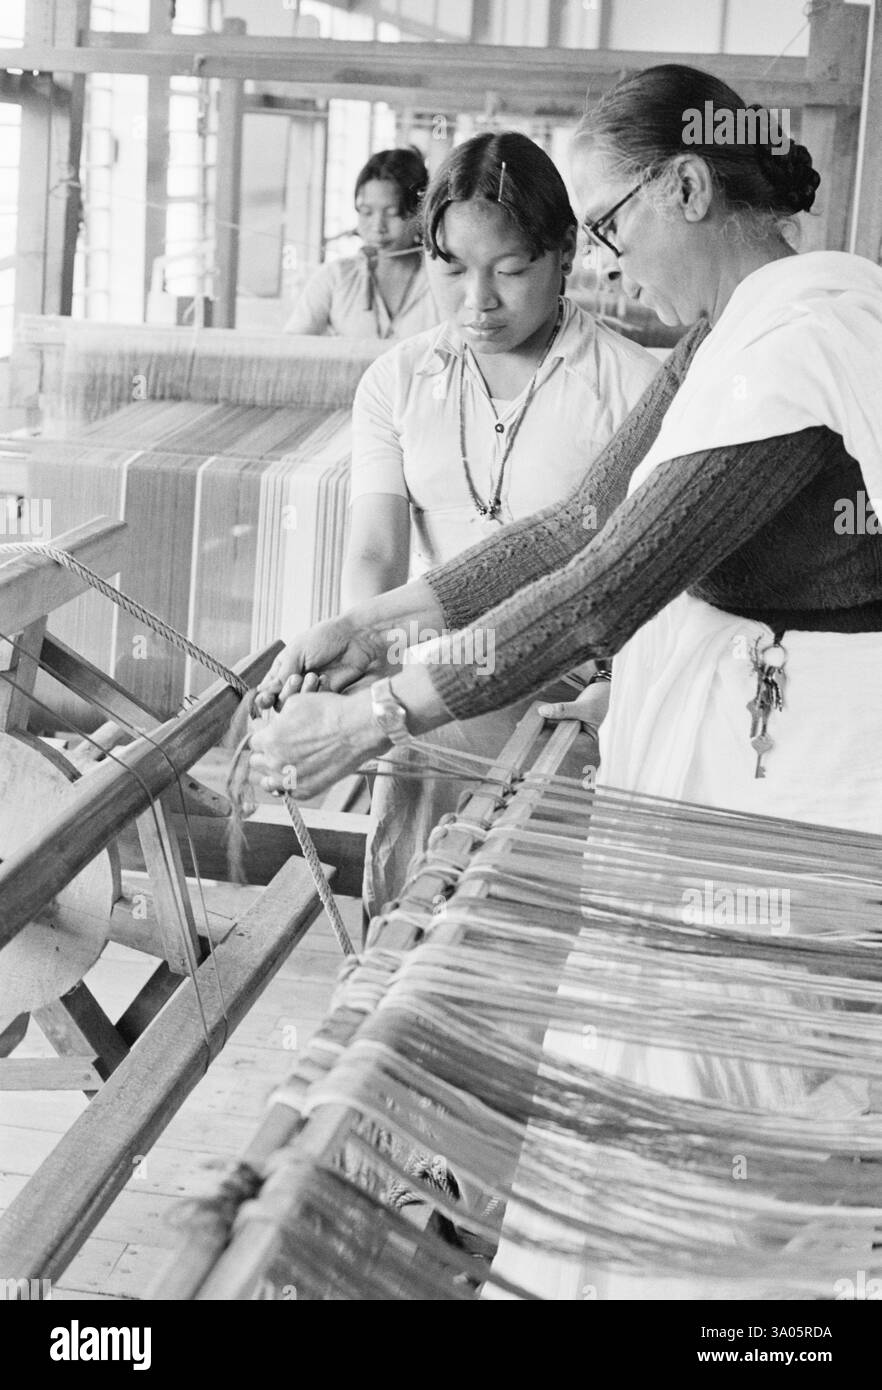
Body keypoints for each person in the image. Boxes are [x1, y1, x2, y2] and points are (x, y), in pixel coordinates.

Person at [251, 64, 882, 1293]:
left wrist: (378, 718)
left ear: (687, 184)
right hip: (734, 811)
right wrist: (378, 622)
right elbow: (581, 522)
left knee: (722, 1163)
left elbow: (605, 587)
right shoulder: (727, 335)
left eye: (605, 226)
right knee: (658, 1118)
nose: (607, 264)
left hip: (796, 826)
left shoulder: (799, 336)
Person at [340, 131, 658, 921]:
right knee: (414, 928)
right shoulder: (398, 380)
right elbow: (377, 551)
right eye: (451, 267)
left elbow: (655, 572)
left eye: (510, 270)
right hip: (431, 692)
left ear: (565, 253)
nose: (477, 300)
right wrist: (354, 656)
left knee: (531, 933)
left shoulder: (632, 389)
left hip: (574, 697)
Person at [284, 148, 439, 340]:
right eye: (366, 212)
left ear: (420, 213)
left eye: (392, 213)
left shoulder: (440, 281)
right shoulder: (335, 279)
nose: (377, 227)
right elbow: (291, 347)